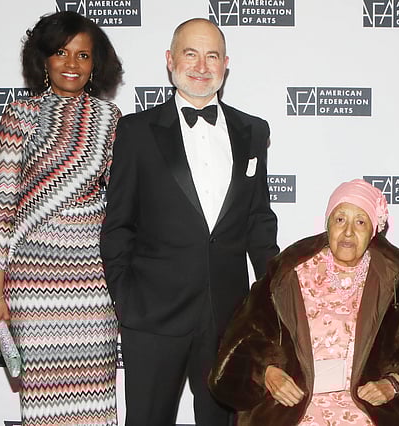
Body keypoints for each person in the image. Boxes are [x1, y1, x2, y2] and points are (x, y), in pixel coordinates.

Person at [100, 18, 279, 426]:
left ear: (226, 65)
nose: (201, 66)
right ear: (170, 60)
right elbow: (118, 225)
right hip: (152, 315)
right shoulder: (136, 131)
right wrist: (126, 298)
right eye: (190, 54)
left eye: (212, 56)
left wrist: (274, 295)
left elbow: (258, 220)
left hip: (228, 316)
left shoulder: (253, 131)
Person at [209, 179, 399, 426]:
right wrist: (266, 373)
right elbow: (235, 351)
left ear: (373, 231)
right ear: (328, 224)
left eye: (360, 222)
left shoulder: (398, 279)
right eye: (340, 219)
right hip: (293, 409)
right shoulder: (287, 274)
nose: (348, 232)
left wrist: (395, 383)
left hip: (369, 410)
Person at [0, 11, 123, 426]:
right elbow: (2, 210)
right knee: (44, 405)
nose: (72, 64)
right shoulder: (19, 115)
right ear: (43, 59)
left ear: (95, 63)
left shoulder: (110, 119)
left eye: (83, 55)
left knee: (95, 400)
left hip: (93, 282)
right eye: (61, 52)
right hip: (33, 284)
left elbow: (121, 201)